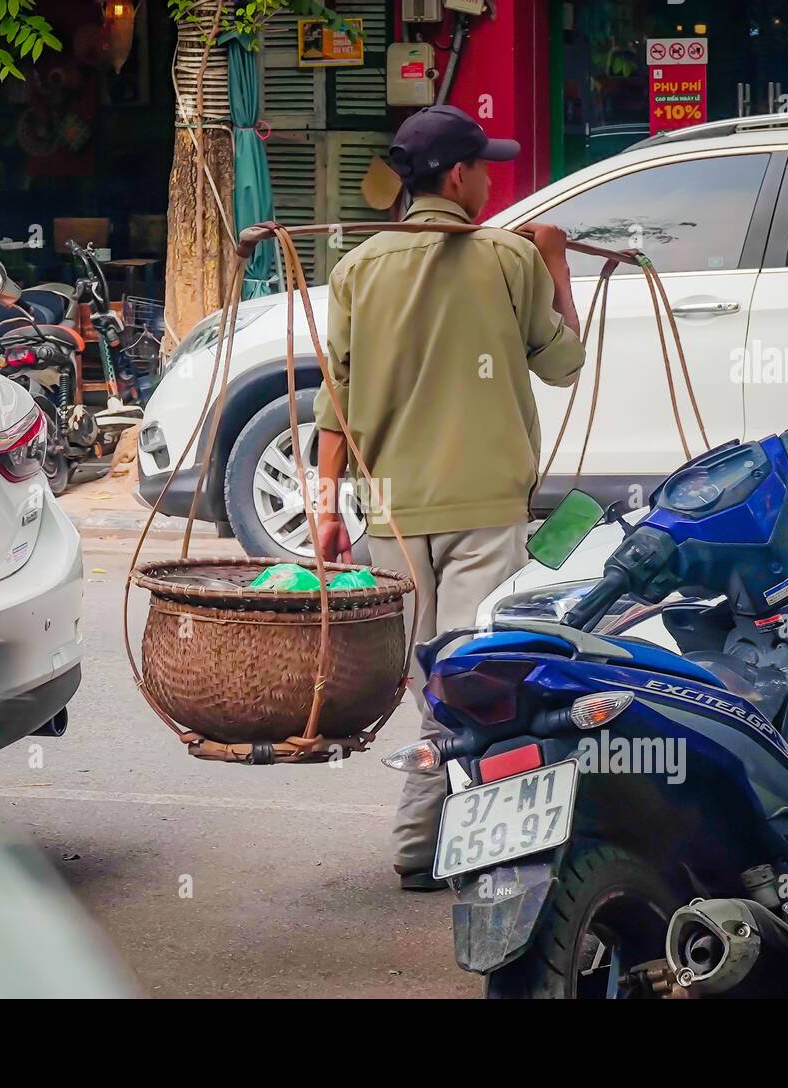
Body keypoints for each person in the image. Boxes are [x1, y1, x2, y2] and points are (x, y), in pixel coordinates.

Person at [313, 105, 585, 891]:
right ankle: (458, 841)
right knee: (475, 678)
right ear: (459, 177)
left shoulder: (357, 268)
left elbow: (337, 401)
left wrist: (328, 510)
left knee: (429, 680)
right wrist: (558, 263)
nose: (493, 180)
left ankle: (423, 841)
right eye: (486, 167)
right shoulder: (510, 257)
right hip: (482, 503)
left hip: (389, 507)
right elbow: (564, 363)